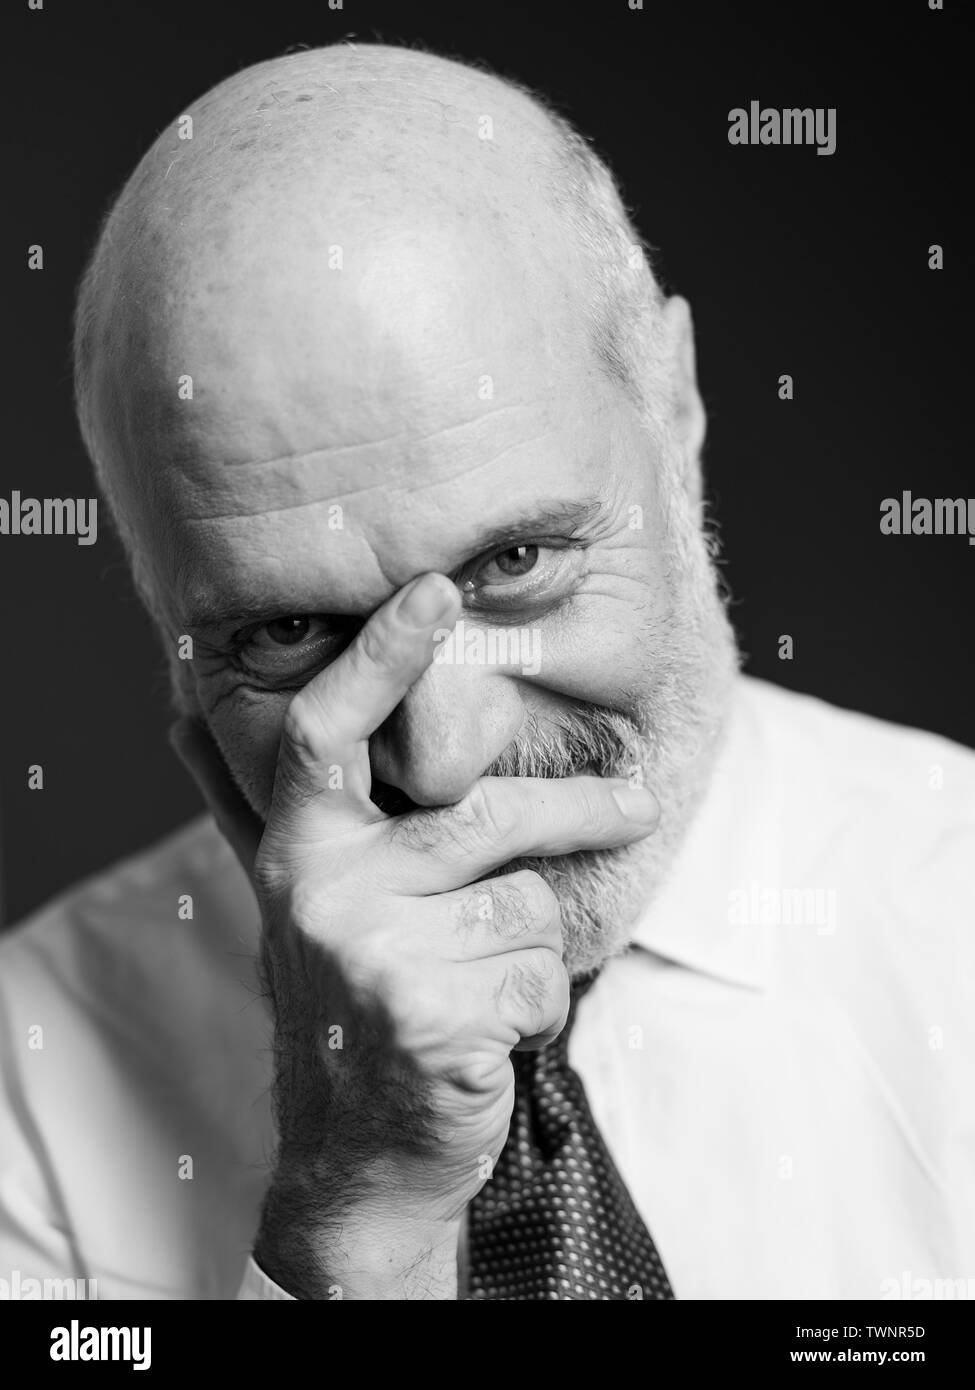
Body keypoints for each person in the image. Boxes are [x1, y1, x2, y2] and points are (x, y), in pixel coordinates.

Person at [1, 41, 972, 1302]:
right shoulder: (27, 1106)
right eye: (291, 634)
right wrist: (356, 1224)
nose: (445, 756)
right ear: (159, 615)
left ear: (673, 415)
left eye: (517, 561)